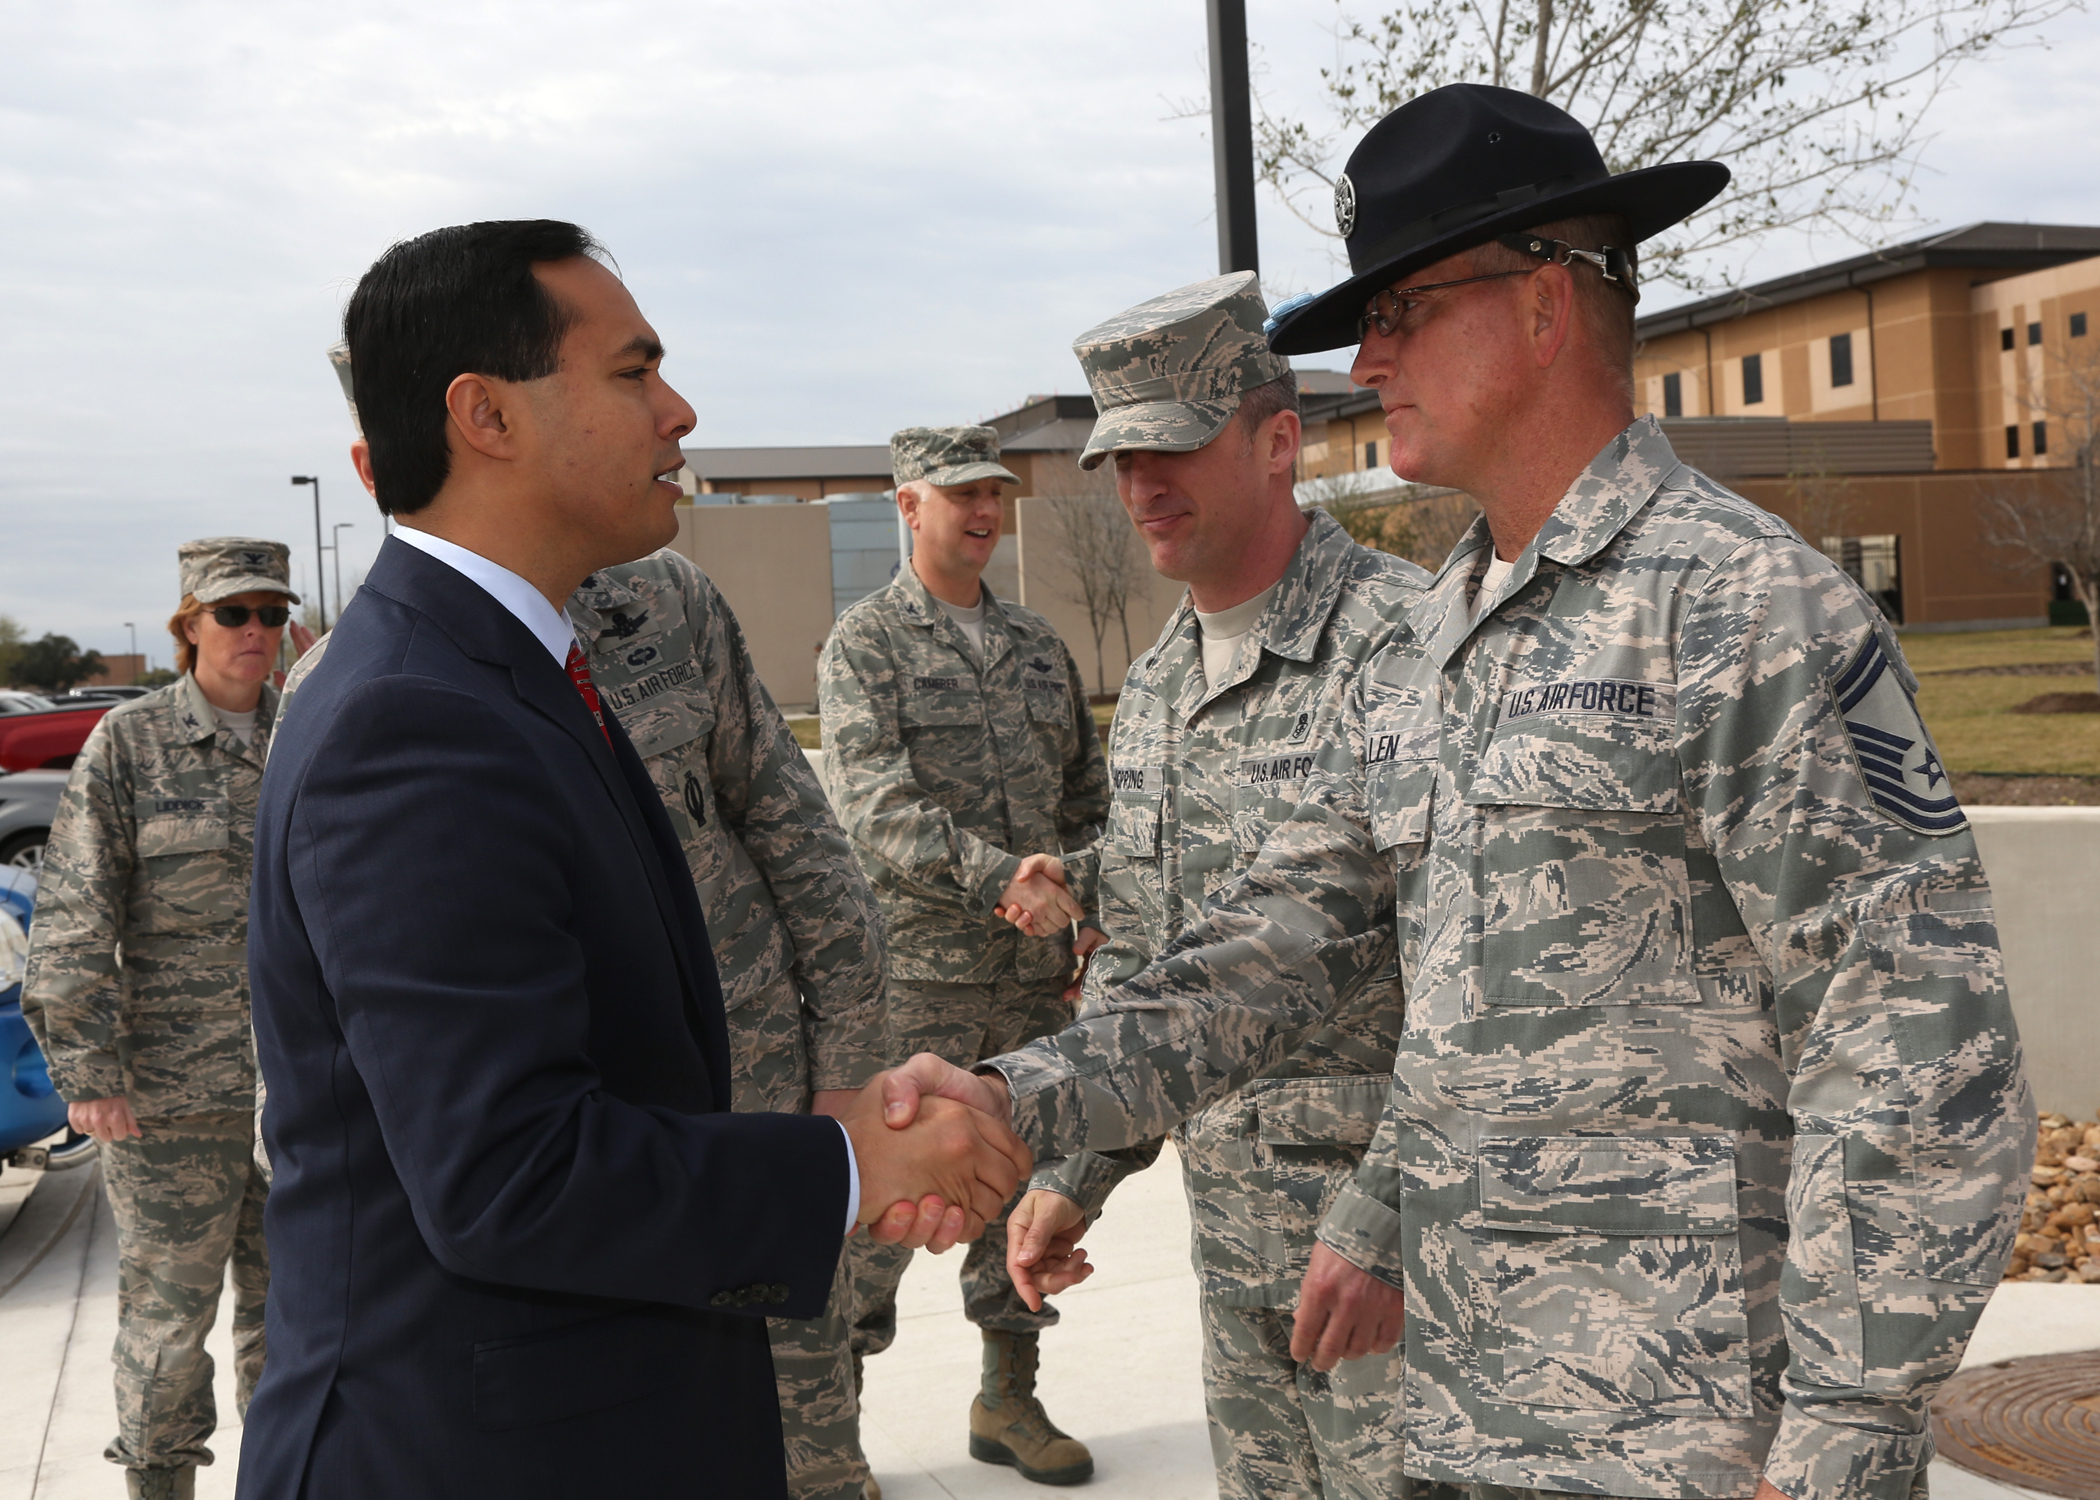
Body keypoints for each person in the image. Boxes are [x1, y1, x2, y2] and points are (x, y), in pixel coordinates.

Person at [895, 83, 2034, 1500]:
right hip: (1460, 1418)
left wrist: (1846, 1440)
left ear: (1546, 304)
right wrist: (1014, 1092)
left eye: (1405, 309)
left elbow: (1921, 1052)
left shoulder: (1744, 612)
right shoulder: (1437, 643)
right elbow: (1280, 945)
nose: (1366, 356)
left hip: (1693, 1443)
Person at [238, 219, 1031, 1500]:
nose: (680, 411)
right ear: (485, 415)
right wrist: (850, 1166)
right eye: (632, 372)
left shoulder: (515, 669)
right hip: (472, 1452)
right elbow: (508, 1171)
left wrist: (837, 1120)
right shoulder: (410, 717)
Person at [997, 271, 1433, 1500]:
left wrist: (1385, 1225)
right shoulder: (1158, 688)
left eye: (1174, 445)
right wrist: (1069, 1173)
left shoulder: (1405, 646)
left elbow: (1478, 993)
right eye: (1120, 457)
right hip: (1241, 1262)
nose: (1141, 486)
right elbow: (1138, 959)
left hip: (1398, 1273)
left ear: (1280, 439)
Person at [817, 424, 1108, 1486]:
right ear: (908, 505)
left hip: (1032, 984)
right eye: (960, 495)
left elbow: (1086, 791)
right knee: (883, 1210)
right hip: (918, 985)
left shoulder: (1038, 646)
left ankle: (1007, 1398)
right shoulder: (866, 646)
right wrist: (1003, 876)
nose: (984, 511)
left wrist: (1079, 896)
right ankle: (825, 1428)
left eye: (994, 493)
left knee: (1013, 1188)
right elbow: (874, 808)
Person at [572, 549, 890, 1500]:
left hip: (755, 1095)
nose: (675, 420)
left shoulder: (661, 599)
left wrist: (846, 1074)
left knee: (807, 1422)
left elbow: (794, 830)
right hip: (575, 1142)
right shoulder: (364, 679)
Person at [23, 537, 296, 1500]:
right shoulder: (130, 742)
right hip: (169, 1106)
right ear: (189, 627)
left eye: (271, 612)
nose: (256, 631)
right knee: (169, 1328)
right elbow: (73, 910)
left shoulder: (310, 732)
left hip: (300, 1096)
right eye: (234, 614)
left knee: (294, 1324)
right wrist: (87, 1072)